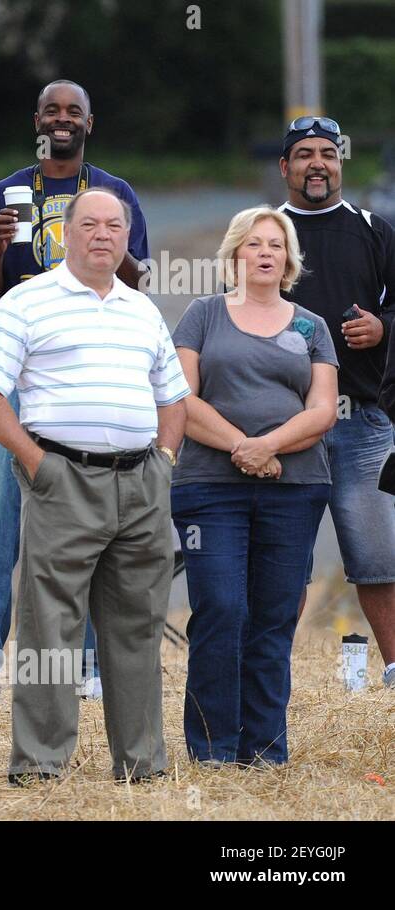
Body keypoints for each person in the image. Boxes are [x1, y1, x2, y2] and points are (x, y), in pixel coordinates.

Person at [0, 188, 189, 784]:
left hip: (141, 482)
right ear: (67, 232)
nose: (102, 235)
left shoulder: (143, 310)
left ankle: (141, 764)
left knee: (137, 626)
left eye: (115, 226)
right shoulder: (27, 302)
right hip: (63, 479)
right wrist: (38, 464)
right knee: (49, 629)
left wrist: (164, 460)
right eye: (89, 224)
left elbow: (174, 398)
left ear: (127, 237)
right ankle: (40, 765)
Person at [0, 79, 151, 705]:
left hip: (83, 381)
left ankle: (87, 665)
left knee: (85, 533)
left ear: (92, 122)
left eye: (75, 112)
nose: (63, 121)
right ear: (36, 119)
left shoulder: (113, 195)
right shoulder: (2, 194)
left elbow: (136, 285)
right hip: (13, 380)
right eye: (53, 111)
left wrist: (101, 242)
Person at [171, 207, 337, 766]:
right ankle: (213, 749)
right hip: (209, 487)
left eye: (277, 245)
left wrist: (269, 448)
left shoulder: (311, 325)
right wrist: (244, 446)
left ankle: (265, 749)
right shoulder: (202, 314)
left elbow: (322, 411)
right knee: (220, 607)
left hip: (295, 488)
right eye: (255, 243)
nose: (266, 252)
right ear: (235, 254)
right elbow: (180, 400)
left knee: (274, 613)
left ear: (288, 259)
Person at [279, 117, 395, 689]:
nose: (317, 163)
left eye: (328, 152)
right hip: (286, 425)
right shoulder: (266, 233)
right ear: (286, 168)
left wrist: (383, 327)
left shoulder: (375, 229)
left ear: (341, 162)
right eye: (304, 155)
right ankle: (268, 670)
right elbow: (232, 314)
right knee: (283, 560)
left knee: (379, 555)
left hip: (363, 422)